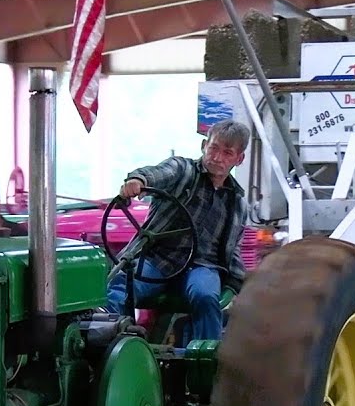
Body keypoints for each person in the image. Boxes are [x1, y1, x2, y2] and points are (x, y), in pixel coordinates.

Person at [105, 118, 251, 342]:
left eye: (227, 153)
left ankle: (204, 362)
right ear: (204, 146)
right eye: (213, 148)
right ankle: (116, 350)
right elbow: (160, 172)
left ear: (238, 159)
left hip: (203, 265)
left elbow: (234, 248)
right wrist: (138, 179)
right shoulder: (183, 171)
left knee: (205, 296)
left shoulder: (237, 203)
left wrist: (235, 282)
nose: (217, 157)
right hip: (158, 260)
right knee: (119, 289)